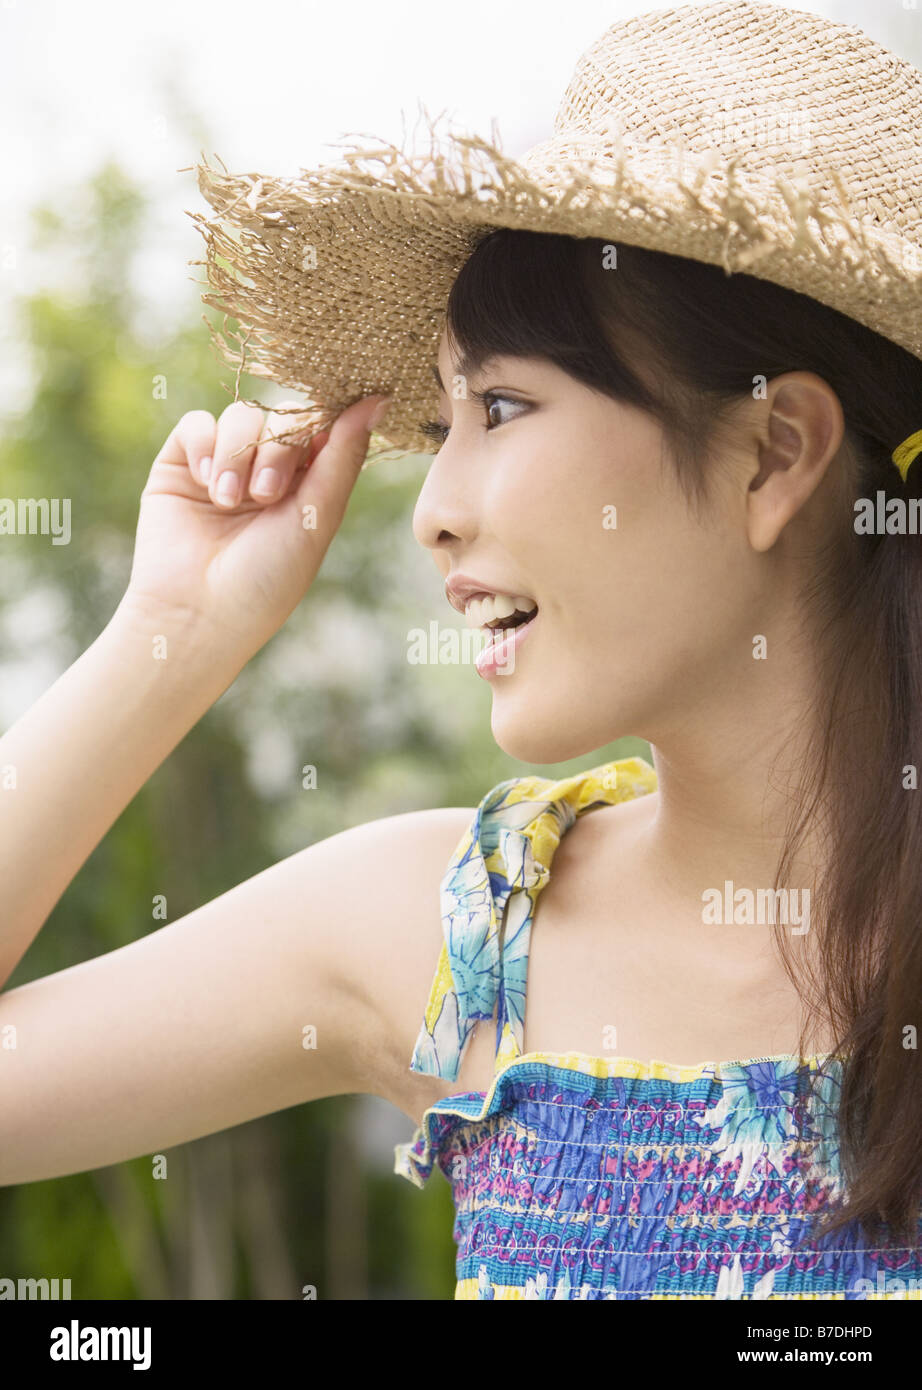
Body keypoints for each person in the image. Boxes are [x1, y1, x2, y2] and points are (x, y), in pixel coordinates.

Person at [3, 0, 922, 1300]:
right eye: (442, 425)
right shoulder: (457, 928)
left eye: (498, 405)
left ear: (772, 454)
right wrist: (169, 635)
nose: (433, 507)